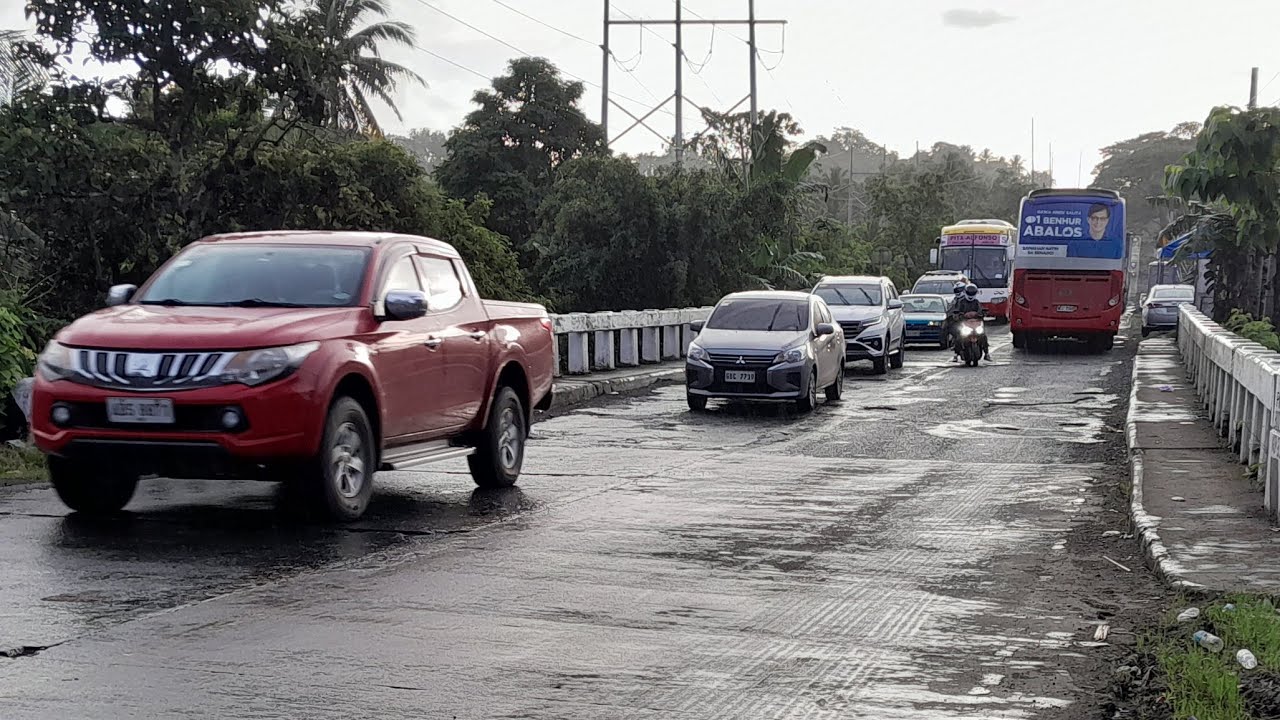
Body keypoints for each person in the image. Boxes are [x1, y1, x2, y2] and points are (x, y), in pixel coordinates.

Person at [950, 283, 991, 362]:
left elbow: (981, 310)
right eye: (969, 293)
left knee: (983, 336)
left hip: (976, 324)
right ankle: (956, 354)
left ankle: (987, 353)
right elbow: (956, 311)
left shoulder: (976, 302)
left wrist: (982, 313)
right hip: (964, 323)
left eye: (972, 293)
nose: (970, 295)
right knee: (958, 337)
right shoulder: (961, 302)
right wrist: (957, 315)